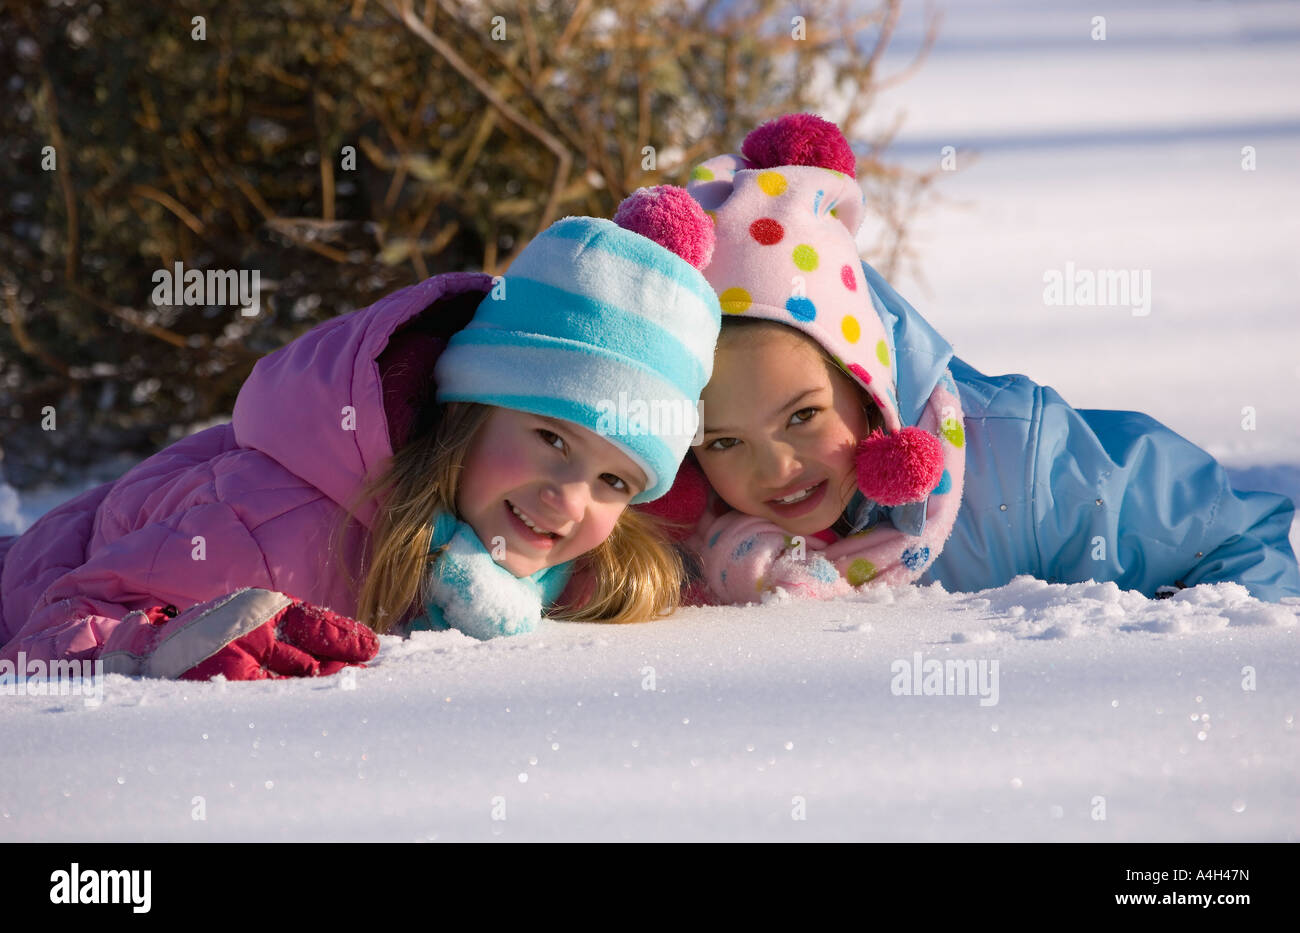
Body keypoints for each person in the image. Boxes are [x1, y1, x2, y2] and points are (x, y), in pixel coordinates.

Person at [0, 185, 722, 679]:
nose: (570, 499)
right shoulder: (281, 538)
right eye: (553, 439)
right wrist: (175, 646)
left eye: (615, 480)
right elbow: (51, 638)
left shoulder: (532, 547)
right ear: (467, 410)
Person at [640, 113, 1300, 605]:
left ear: (867, 380)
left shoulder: (1023, 462)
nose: (776, 466)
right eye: (724, 440)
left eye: (803, 415)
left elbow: (1232, 541)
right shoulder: (694, 532)